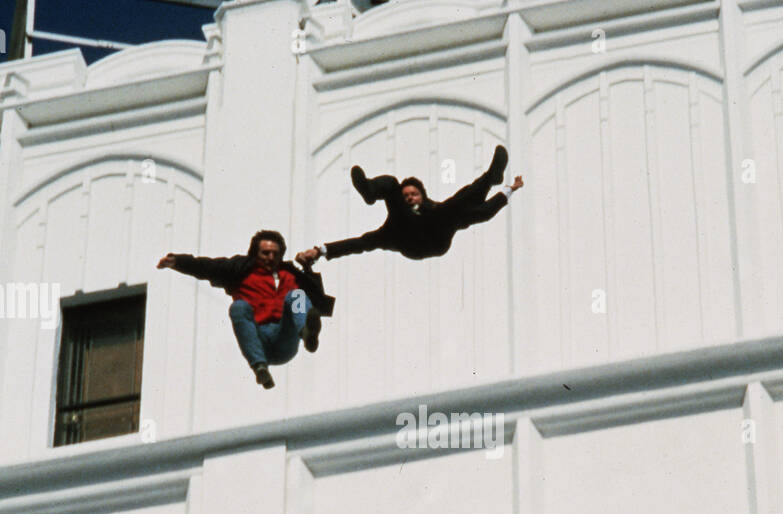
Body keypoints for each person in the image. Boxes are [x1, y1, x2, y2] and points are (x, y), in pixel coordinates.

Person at [157, 229, 335, 389]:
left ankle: (307, 334)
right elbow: (208, 267)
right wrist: (178, 262)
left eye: (275, 254)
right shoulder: (241, 271)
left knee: (297, 295)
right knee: (239, 306)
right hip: (258, 339)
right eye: (265, 253)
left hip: (284, 337)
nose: (270, 258)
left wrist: (306, 266)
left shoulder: (290, 275)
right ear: (255, 254)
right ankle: (260, 368)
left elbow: (312, 295)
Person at [295, 145, 523, 265]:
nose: (410, 198)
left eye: (414, 194)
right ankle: (371, 191)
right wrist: (320, 251)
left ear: (422, 196)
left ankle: (491, 178)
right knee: (393, 183)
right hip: (409, 243)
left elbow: (482, 213)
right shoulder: (393, 227)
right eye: (405, 196)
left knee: (455, 205)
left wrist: (507, 191)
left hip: (435, 239)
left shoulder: (438, 213)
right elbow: (360, 243)